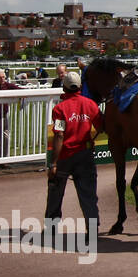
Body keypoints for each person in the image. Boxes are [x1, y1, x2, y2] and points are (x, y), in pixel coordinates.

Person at [45, 71, 102, 246]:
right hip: (84, 155)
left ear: (64, 87)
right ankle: (92, 229)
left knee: (56, 191)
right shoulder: (91, 105)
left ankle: (52, 227)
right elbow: (101, 126)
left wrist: (53, 163)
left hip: (65, 156)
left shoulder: (59, 109)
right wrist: (91, 141)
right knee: (88, 193)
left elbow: (59, 135)